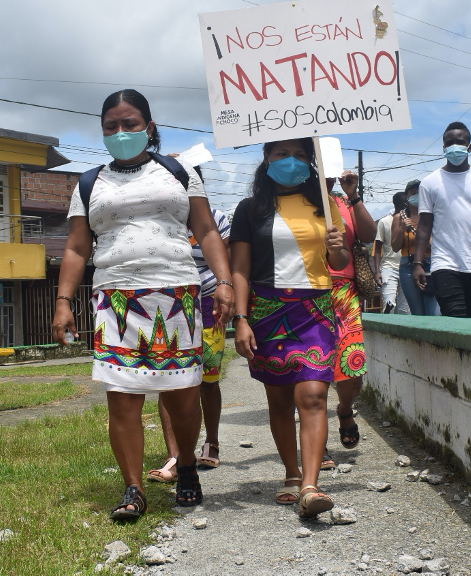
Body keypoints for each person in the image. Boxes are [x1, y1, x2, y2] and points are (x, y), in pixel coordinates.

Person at [53, 89, 233, 521]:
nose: (121, 132)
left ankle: (186, 464)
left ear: (148, 127)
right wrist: (63, 301)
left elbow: (206, 229)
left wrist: (224, 282)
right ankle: (133, 488)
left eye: (130, 124)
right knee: (123, 398)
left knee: (184, 396)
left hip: (177, 295)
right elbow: (77, 249)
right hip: (116, 299)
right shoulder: (89, 183)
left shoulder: (179, 171)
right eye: (110, 126)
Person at [230, 137, 349, 520]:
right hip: (266, 309)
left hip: (314, 308)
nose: (292, 161)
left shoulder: (325, 205)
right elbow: (240, 270)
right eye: (282, 154)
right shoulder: (249, 209)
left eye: (301, 155)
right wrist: (241, 319)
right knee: (279, 401)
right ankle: (292, 473)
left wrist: (337, 247)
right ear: (266, 159)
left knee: (313, 395)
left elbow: (339, 259)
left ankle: (312, 486)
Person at [147, 166, 231, 483]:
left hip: (208, 306)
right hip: (167, 307)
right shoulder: (155, 220)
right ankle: (177, 455)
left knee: (208, 379)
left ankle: (211, 440)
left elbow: (228, 258)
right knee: (169, 380)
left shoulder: (216, 219)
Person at [413, 122, 471, 318]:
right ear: (443, 148)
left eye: (460, 142)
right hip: (445, 263)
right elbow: (424, 226)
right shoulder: (430, 182)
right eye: (449, 143)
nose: (454, 147)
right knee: (454, 318)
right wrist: (417, 263)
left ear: (469, 146)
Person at [322, 170, 375, 467]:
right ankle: (318, 444)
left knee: (351, 367)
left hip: (343, 291)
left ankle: (344, 409)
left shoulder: (343, 202)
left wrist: (353, 195)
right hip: (306, 291)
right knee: (308, 372)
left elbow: (368, 235)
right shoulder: (296, 202)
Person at [392, 180, 440, 316]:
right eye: (413, 193)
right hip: (408, 265)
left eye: (419, 193)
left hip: (431, 264)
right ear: (406, 196)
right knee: (417, 312)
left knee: (434, 312)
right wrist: (402, 230)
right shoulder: (399, 218)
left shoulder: (433, 215)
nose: (417, 196)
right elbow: (395, 247)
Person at [373, 192, 406, 314]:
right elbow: (377, 249)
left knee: (405, 310)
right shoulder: (384, 222)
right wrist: (377, 272)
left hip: (406, 268)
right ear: (401, 204)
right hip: (388, 267)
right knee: (389, 304)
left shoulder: (410, 222)